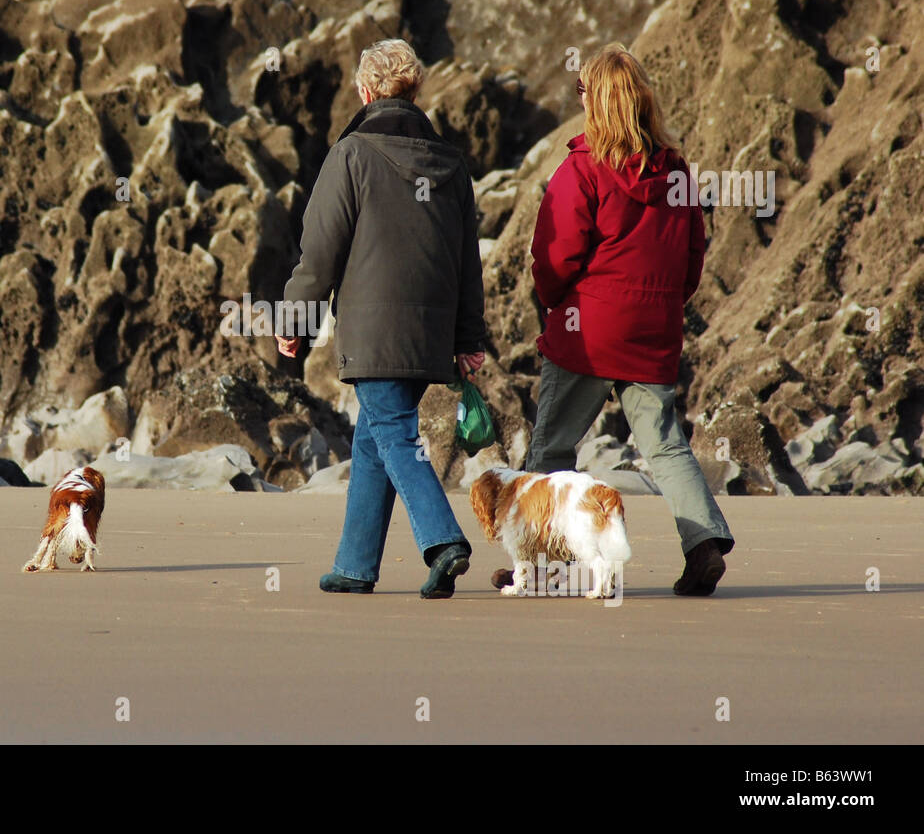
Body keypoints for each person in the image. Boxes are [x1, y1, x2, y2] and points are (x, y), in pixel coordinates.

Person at [276, 38, 488, 599]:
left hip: (374, 331)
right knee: (374, 437)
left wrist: (294, 321)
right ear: (414, 91)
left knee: (393, 433)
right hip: (431, 332)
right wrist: (468, 337)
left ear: (366, 92)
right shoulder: (451, 163)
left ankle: (444, 541)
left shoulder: (351, 155)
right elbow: (469, 259)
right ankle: (354, 564)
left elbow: (319, 251)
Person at [526, 42, 734, 596]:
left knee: (551, 449)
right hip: (652, 330)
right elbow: (693, 257)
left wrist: (554, 306)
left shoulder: (581, 170)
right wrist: (665, 303)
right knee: (665, 445)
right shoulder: (676, 172)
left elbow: (554, 256)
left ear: (596, 103)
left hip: (588, 332)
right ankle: (704, 543)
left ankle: (544, 565)